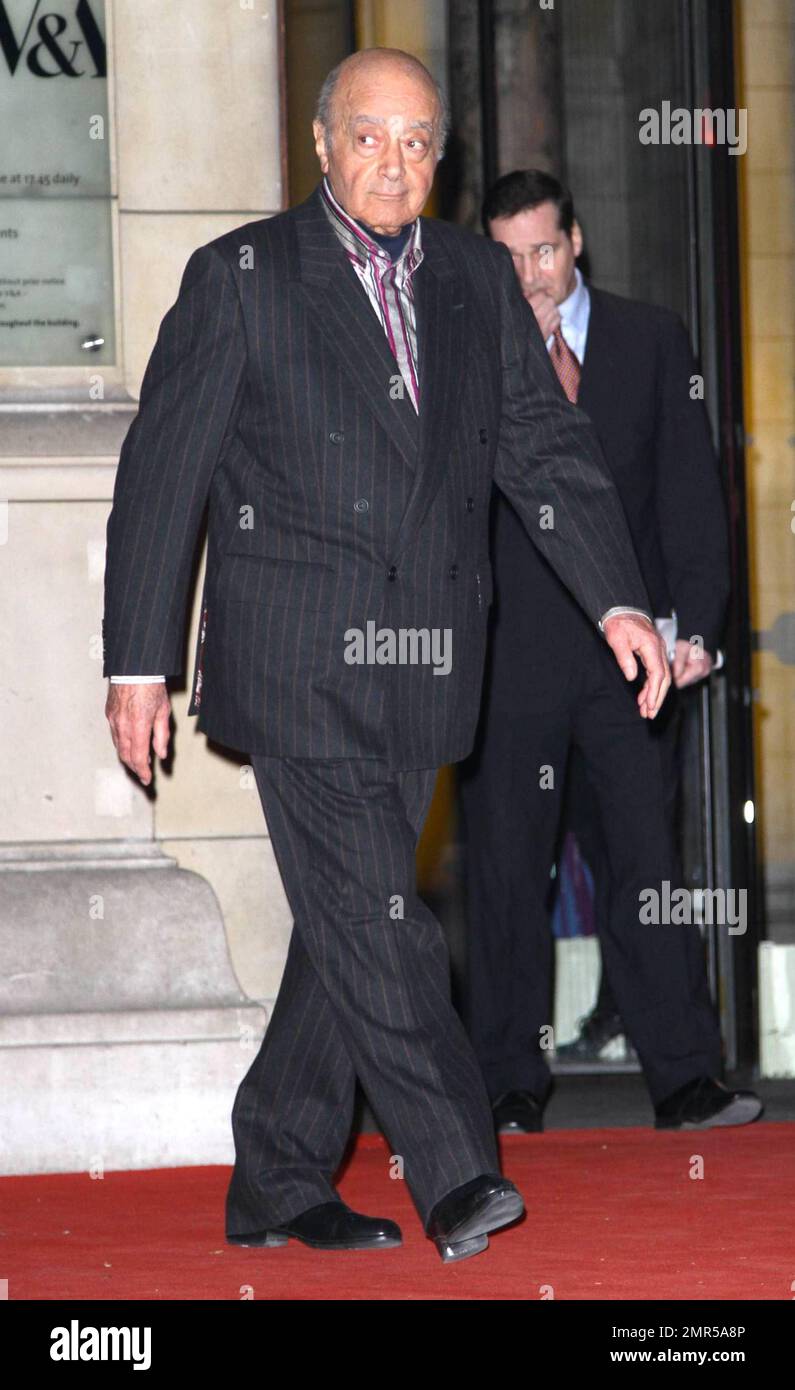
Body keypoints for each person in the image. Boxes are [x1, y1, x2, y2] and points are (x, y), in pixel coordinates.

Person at [102, 52, 671, 1264]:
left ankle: (276, 1168)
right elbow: (164, 476)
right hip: (293, 659)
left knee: (346, 925)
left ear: (441, 158)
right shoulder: (243, 277)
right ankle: (459, 1169)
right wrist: (136, 660)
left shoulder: (474, 277)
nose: (395, 163)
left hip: (426, 666)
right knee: (379, 913)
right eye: (371, 137)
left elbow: (543, 449)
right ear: (321, 144)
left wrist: (620, 598)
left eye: (419, 143)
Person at [458, 169, 762, 1135]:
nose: (528, 276)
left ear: (576, 240)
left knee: (646, 866)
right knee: (507, 874)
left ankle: (683, 1077)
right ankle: (510, 1081)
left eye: (542, 251)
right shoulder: (468, 353)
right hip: (507, 665)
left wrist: (699, 629)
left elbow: (689, 499)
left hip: (631, 664)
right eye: (505, 258)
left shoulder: (648, 340)